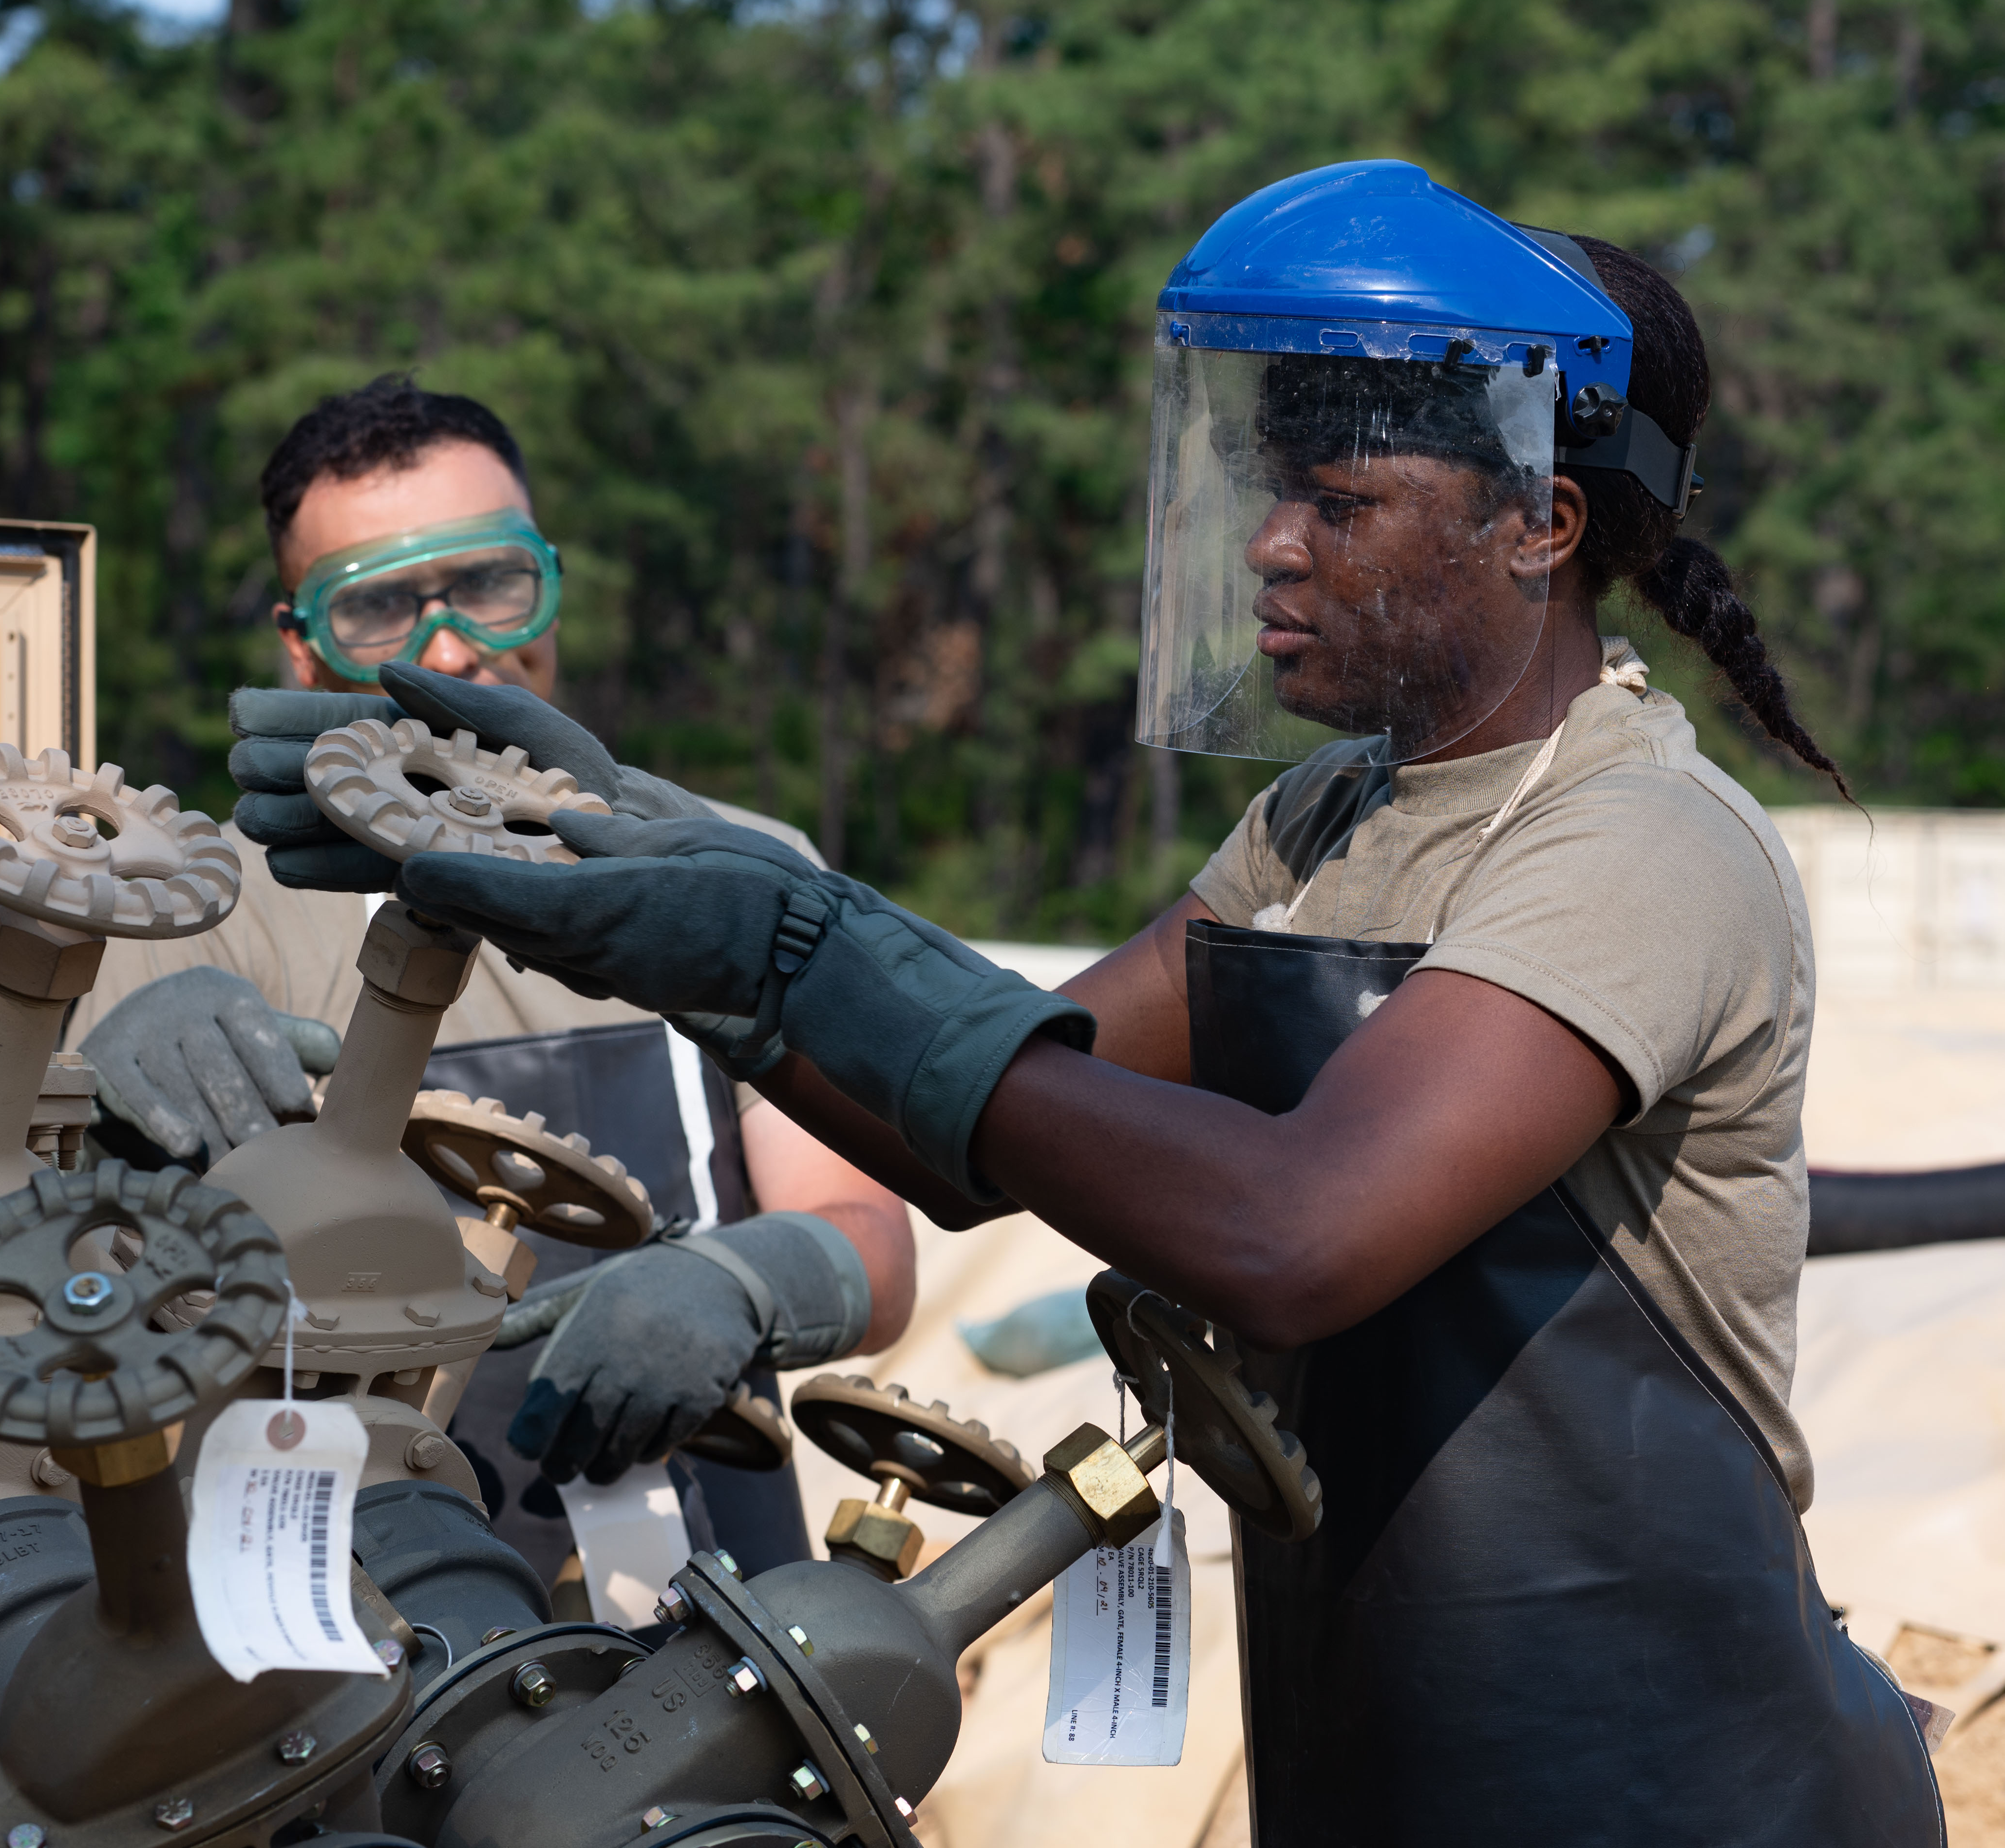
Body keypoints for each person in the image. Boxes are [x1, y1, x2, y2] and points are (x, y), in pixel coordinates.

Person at [233, 166, 1943, 1841]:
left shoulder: (1634, 838)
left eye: (1338, 504)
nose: (1269, 546)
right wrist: (656, 900)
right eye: (1267, 492)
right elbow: (983, 1125)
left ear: (1537, 523)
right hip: (1387, 1743)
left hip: (1672, 1778)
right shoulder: (1323, 817)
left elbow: (1293, 1231)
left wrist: (782, 941)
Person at [72, 373, 913, 1584]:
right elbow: (80, 1309)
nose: (456, 648)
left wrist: (744, 1279)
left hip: (713, 1599)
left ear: (550, 580)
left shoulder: (733, 876)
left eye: (489, 584)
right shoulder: (196, 913)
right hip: (335, 1604)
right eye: (377, 607)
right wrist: (105, 1145)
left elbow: (873, 1240)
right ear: (300, 645)